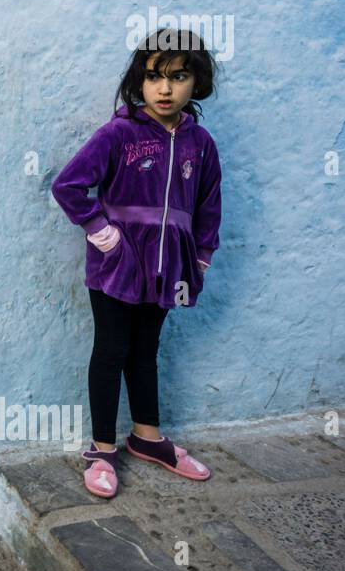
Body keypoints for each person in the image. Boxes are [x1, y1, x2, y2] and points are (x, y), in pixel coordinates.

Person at [51, 28, 223, 498]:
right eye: (153, 77)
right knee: (111, 351)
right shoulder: (119, 134)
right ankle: (102, 448)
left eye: (178, 76)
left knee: (146, 350)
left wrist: (201, 259)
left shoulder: (200, 144)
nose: (164, 89)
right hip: (117, 265)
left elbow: (208, 207)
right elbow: (68, 186)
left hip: (170, 268)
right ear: (139, 82)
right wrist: (104, 236)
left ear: (197, 81)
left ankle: (146, 437)